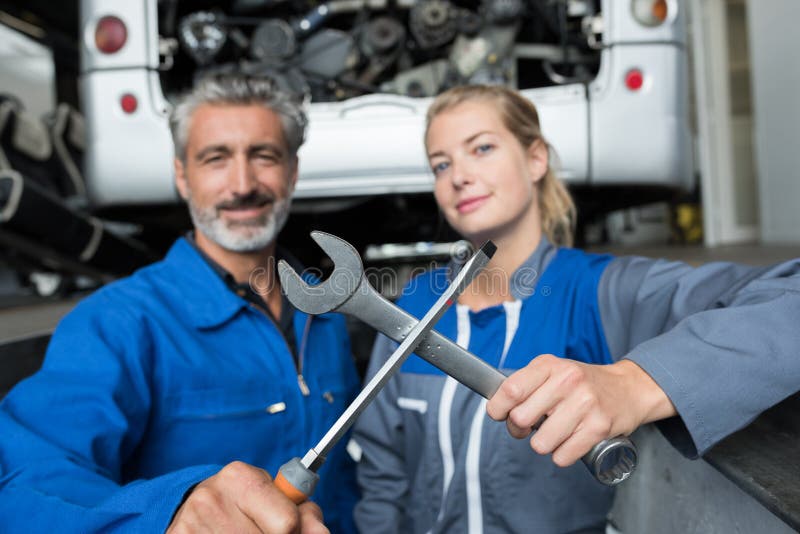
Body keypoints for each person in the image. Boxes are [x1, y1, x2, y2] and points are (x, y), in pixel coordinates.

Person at [353, 84, 800, 533]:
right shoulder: (414, 303)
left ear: (536, 159)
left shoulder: (601, 290)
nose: (459, 176)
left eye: (482, 148)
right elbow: (383, 473)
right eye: (441, 164)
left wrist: (635, 383)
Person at [0, 74, 360, 532]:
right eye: (216, 159)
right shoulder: (117, 323)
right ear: (182, 176)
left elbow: (342, 481)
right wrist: (165, 516)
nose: (243, 183)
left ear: (292, 172)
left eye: (264, 156)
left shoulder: (325, 314)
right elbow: (26, 484)